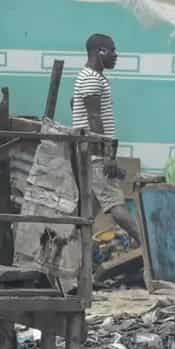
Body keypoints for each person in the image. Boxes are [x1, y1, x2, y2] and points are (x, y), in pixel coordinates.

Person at [72, 32, 142, 243]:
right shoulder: (91, 78)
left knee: (86, 210)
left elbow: (77, 107)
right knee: (115, 204)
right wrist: (106, 156)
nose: (115, 55)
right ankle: (149, 247)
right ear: (100, 51)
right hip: (96, 154)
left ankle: (71, 250)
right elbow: (94, 118)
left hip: (92, 153)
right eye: (112, 50)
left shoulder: (91, 77)